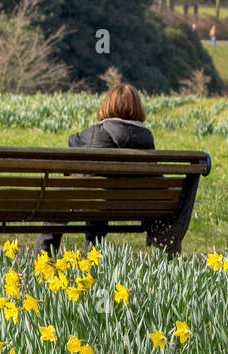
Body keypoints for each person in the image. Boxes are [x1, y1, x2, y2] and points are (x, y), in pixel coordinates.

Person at [38, 83, 154, 256]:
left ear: (107, 105)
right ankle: (92, 251)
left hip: (92, 200)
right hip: (130, 204)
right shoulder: (146, 138)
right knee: (98, 192)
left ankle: (43, 260)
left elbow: (72, 142)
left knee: (68, 202)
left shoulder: (95, 133)